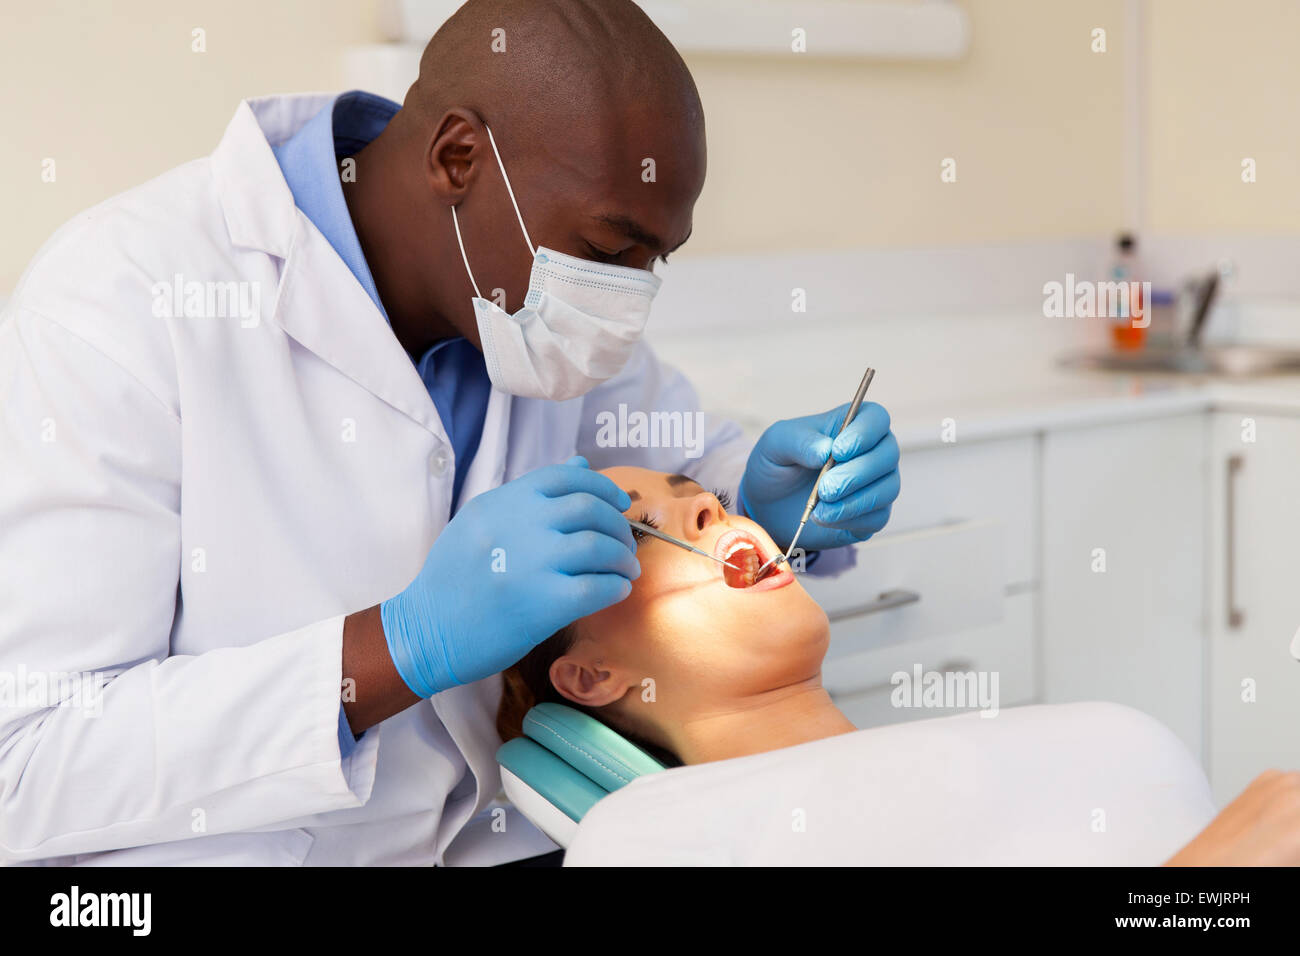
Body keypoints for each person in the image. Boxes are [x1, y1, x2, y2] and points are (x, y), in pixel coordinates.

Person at [0, 0, 899, 865]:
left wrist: (772, 502)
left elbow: (685, 476)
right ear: (458, 157)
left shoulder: (538, 309)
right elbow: (26, 766)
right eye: (608, 252)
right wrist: (397, 648)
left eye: (654, 261)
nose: (627, 299)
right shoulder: (119, 303)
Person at [499, 467, 1300, 866]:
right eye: (641, 531)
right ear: (590, 676)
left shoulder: (1024, 748)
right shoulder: (651, 838)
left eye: (700, 491)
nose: (710, 505)